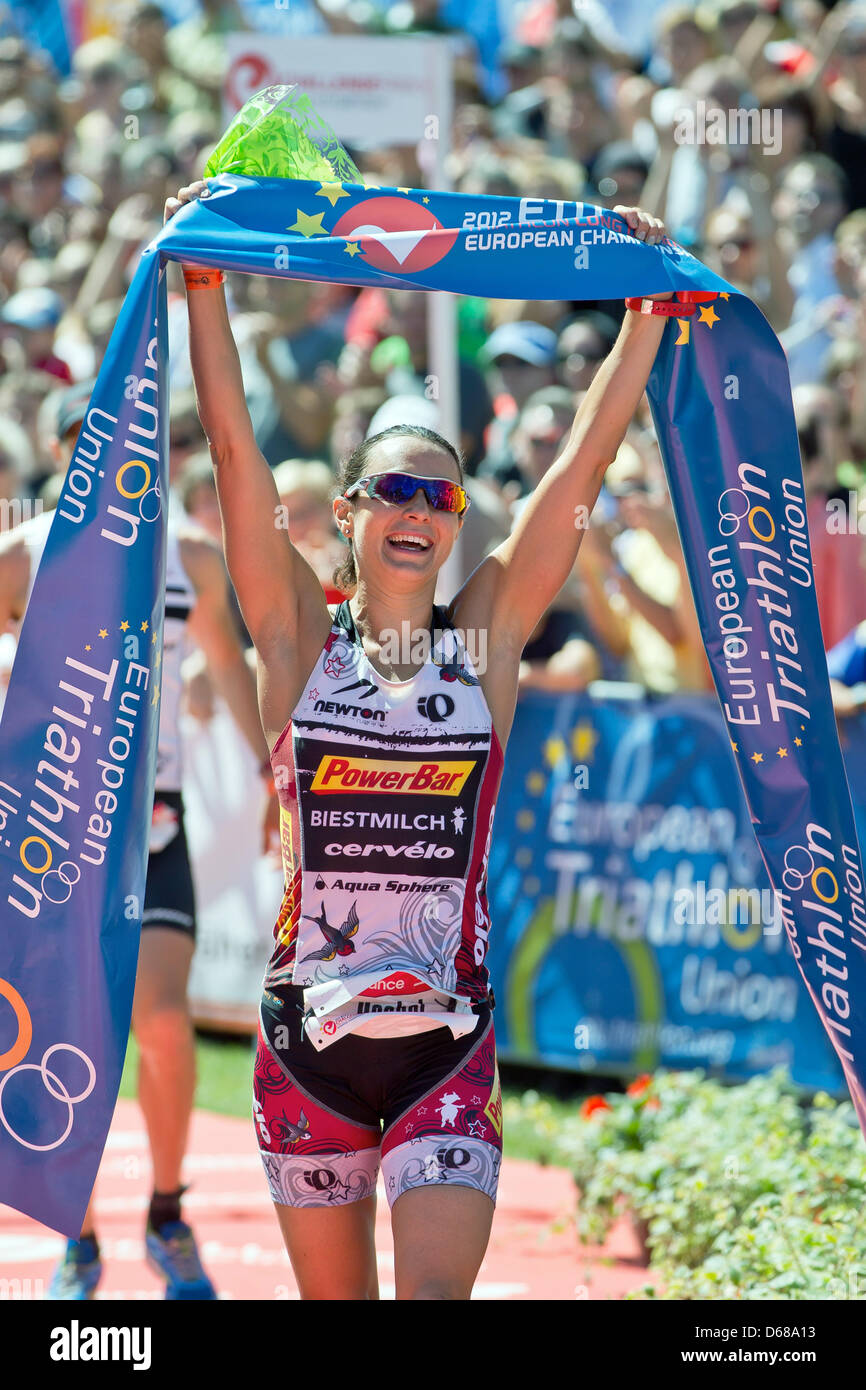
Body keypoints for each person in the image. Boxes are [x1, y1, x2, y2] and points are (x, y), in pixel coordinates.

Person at [169, 179, 675, 1300]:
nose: (418, 510)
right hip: (306, 1049)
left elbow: (574, 475)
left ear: (456, 525)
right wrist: (203, 285)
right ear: (348, 513)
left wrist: (641, 314)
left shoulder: (483, 646)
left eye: (441, 499)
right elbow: (238, 457)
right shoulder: (296, 639)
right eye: (394, 489)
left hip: (445, 1047)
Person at [0, 382, 279, 1300]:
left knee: (158, 1016)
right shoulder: (24, 554)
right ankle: (77, 1236)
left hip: (151, 823)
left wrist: (275, 773)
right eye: (84, 442)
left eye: (118, 441)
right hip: (51, 830)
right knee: (53, 1033)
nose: (103, 459)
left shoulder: (186, 554)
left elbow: (229, 662)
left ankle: (166, 1209)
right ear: (59, 453)